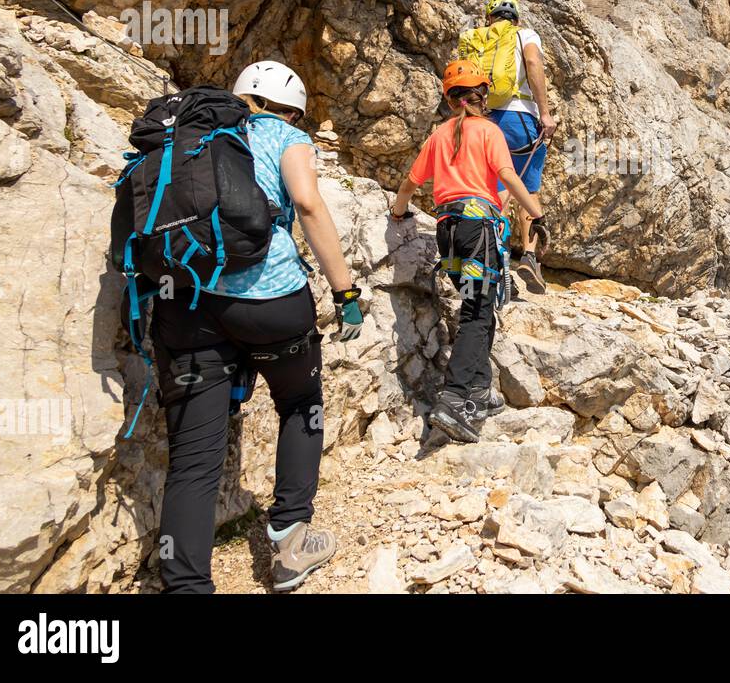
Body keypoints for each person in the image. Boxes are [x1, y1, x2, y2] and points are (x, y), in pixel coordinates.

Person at [151, 60, 363, 593]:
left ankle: (186, 585)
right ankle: (291, 540)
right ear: (289, 109)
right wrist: (345, 292)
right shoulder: (286, 135)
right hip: (270, 302)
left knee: (194, 459)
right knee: (300, 403)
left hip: (188, 305)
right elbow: (309, 205)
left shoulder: (188, 134)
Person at [390, 60, 544, 443]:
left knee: (481, 304)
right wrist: (537, 215)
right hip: (480, 232)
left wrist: (397, 214)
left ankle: (479, 389)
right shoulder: (489, 132)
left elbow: (410, 184)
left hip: (448, 232)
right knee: (477, 311)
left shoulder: (439, 136)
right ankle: (455, 399)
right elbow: (508, 177)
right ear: (483, 95)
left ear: (449, 98)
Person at [456, 0, 556, 294]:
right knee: (526, 188)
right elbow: (532, 62)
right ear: (516, 19)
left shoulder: (476, 39)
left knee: (492, 188)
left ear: (489, 18)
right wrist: (546, 112)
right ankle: (528, 256)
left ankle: (490, 258)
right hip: (520, 118)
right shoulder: (524, 34)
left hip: (482, 118)